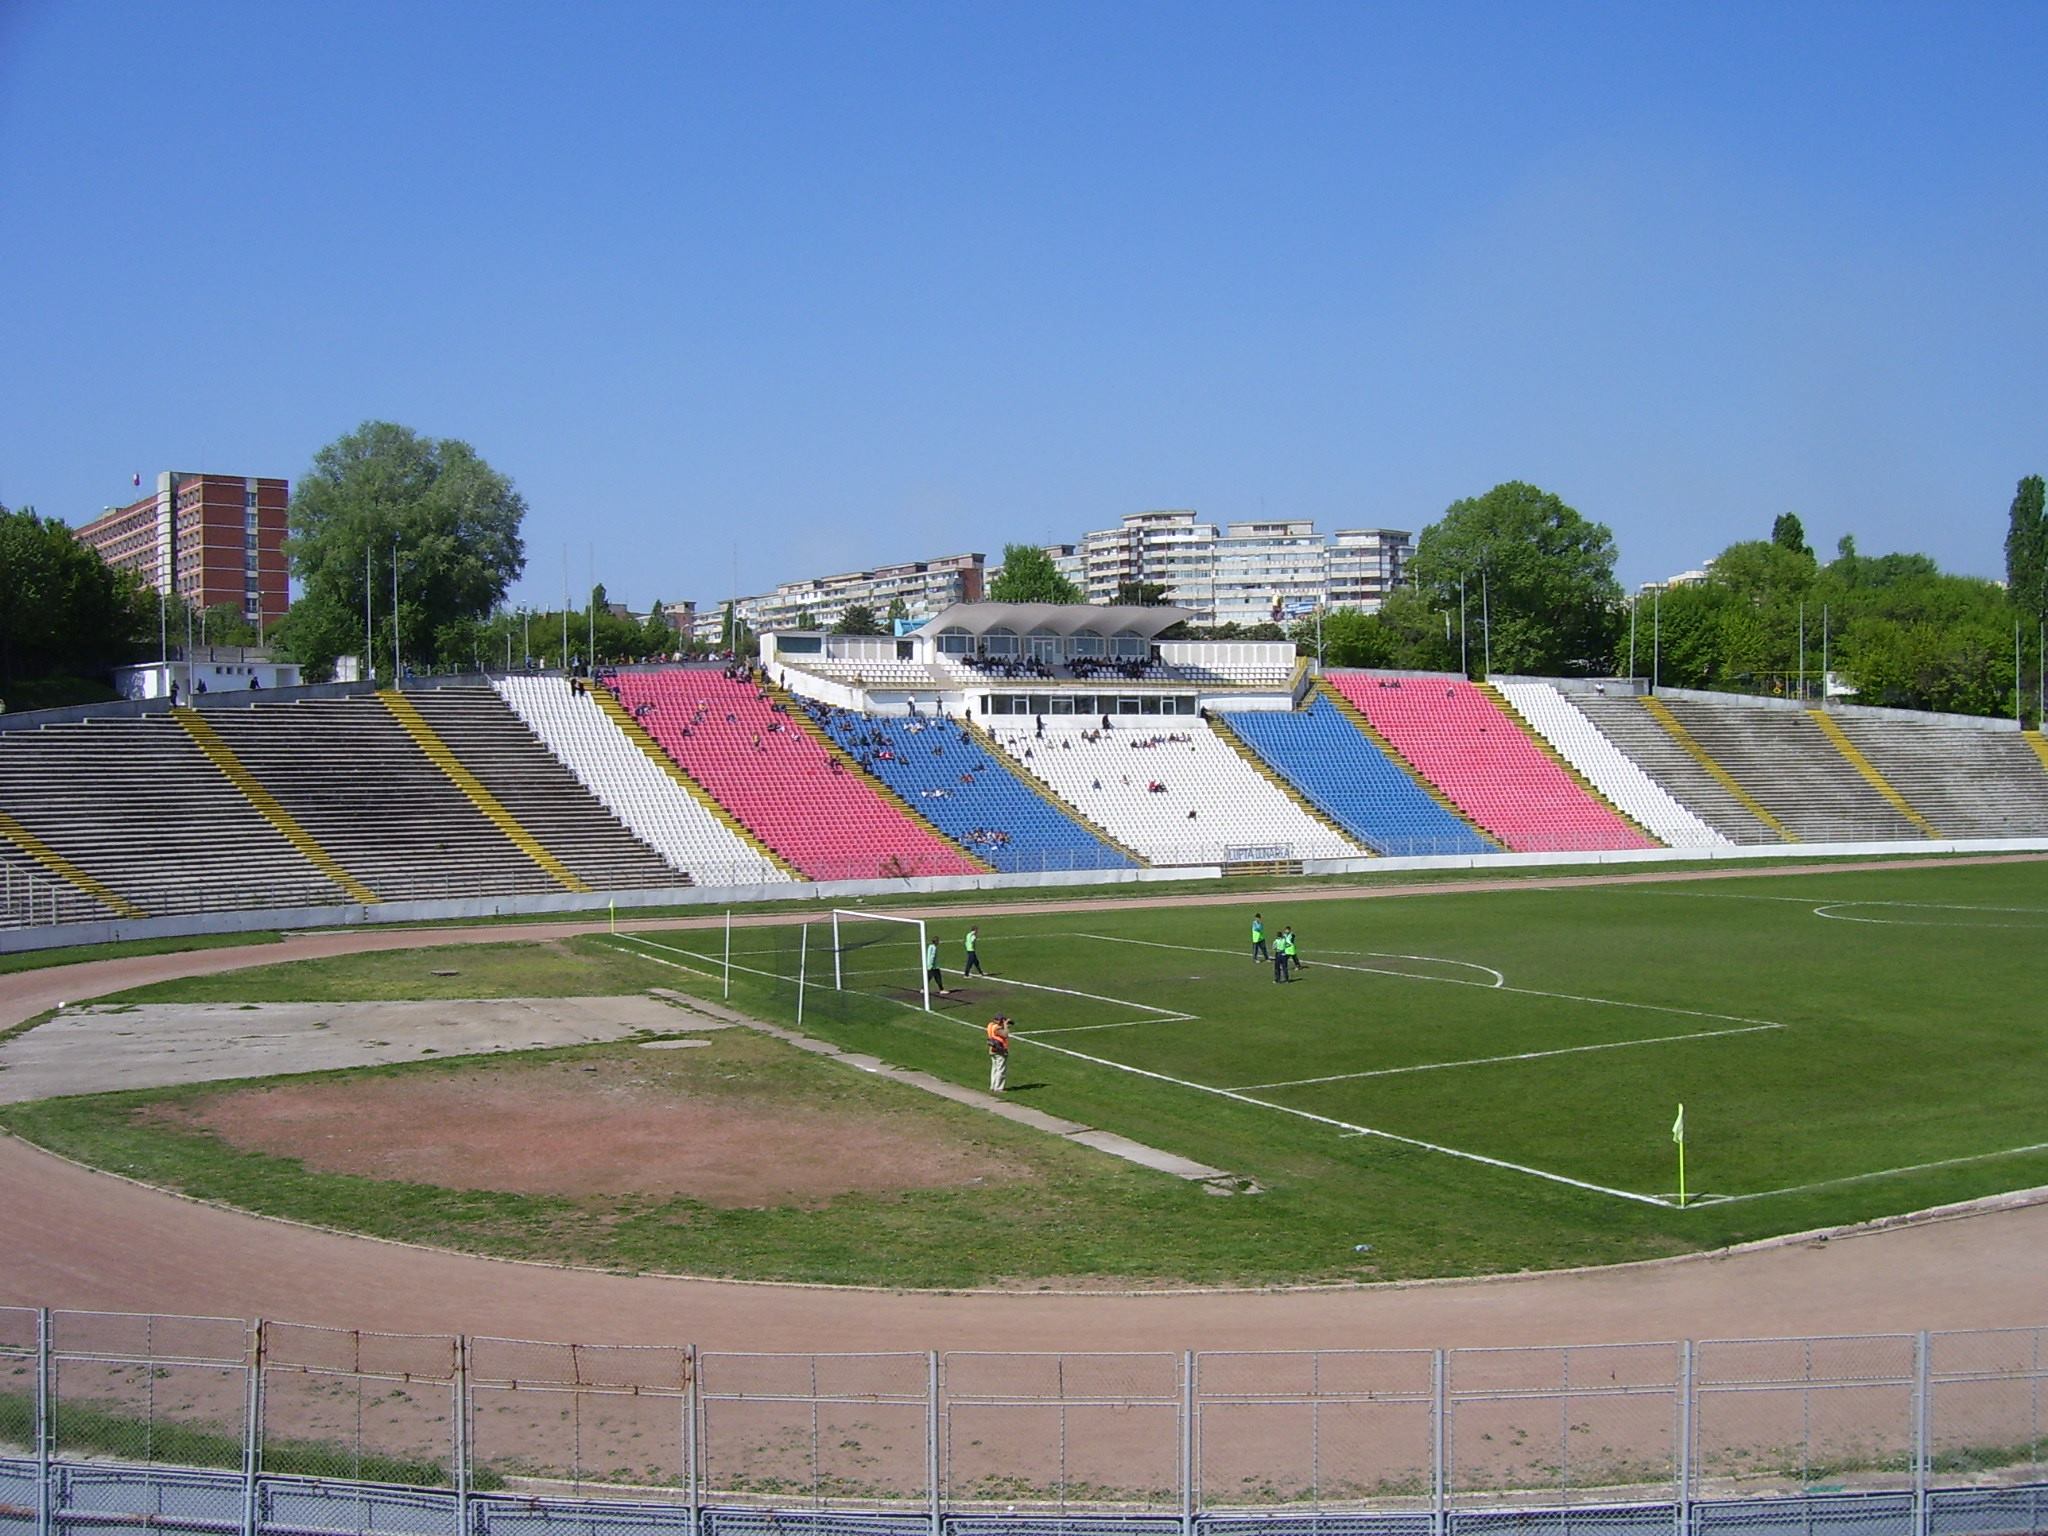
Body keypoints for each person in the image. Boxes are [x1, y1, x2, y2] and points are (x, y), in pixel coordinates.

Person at [986, 1014, 1011, 1092]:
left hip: (992, 1049)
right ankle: (999, 1088)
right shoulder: (997, 1028)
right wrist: (1006, 1025)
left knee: (995, 1069)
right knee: (1000, 1069)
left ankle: (993, 1086)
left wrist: (1003, 1025)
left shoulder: (991, 1025)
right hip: (999, 1050)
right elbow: (1005, 1034)